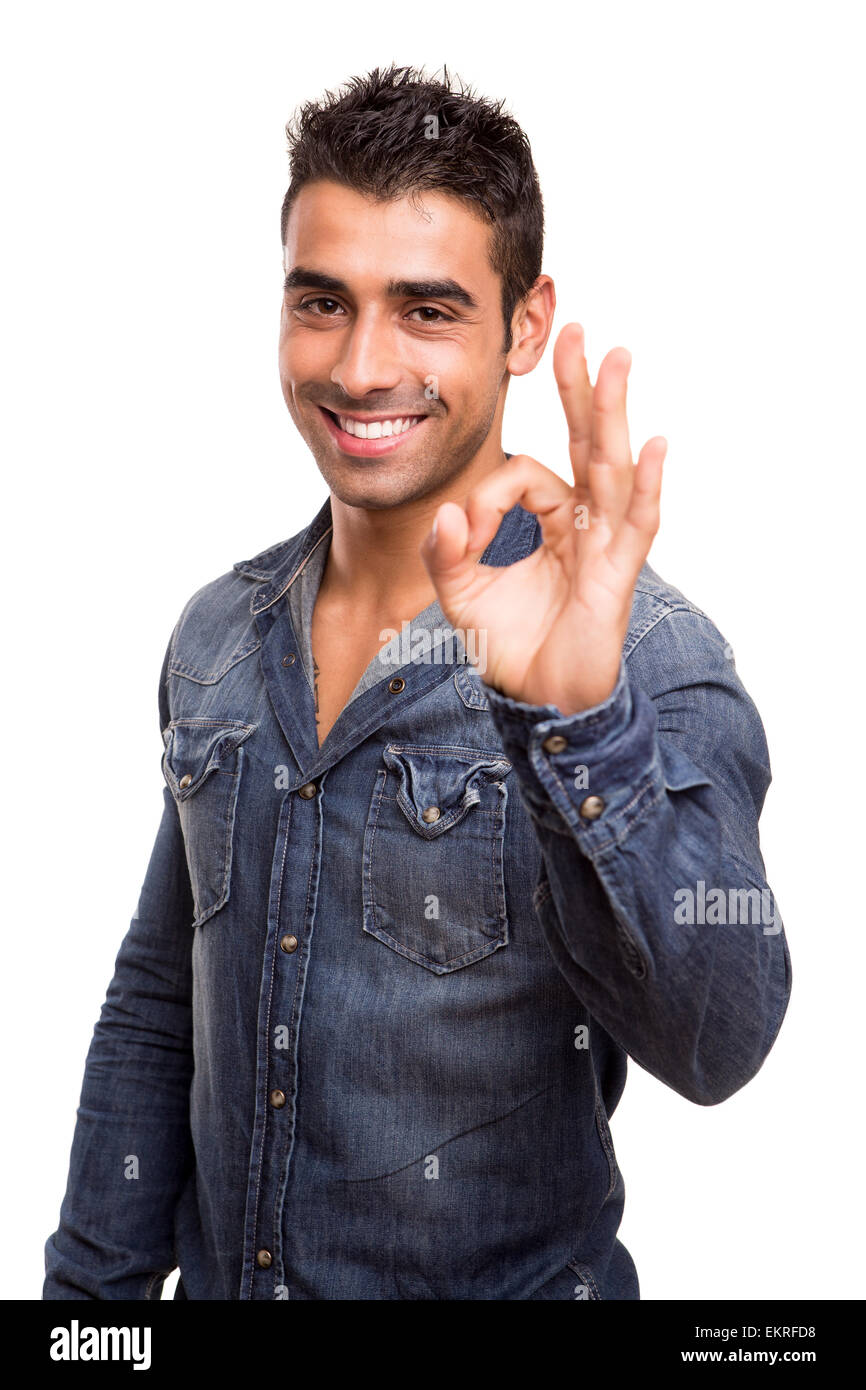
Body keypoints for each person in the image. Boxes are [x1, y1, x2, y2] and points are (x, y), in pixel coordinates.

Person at [44, 64, 791, 1301]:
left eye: (427, 309)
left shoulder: (644, 653)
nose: (360, 365)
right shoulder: (216, 634)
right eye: (322, 301)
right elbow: (161, 1001)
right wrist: (87, 1312)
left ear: (524, 325)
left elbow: (720, 1042)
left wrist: (576, 722)